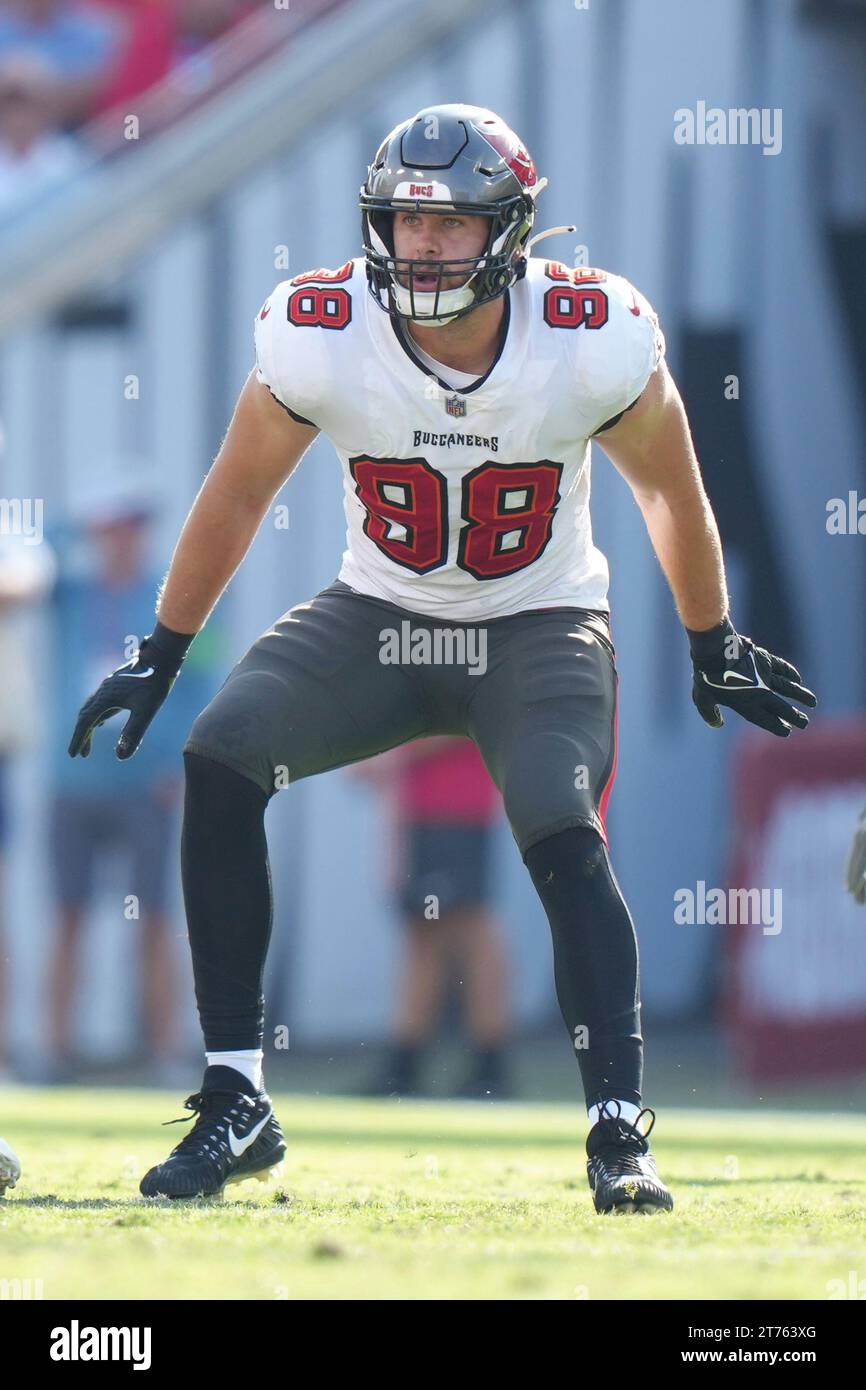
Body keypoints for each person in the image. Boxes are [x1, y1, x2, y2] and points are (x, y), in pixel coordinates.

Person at [68, 104, 817, 1211]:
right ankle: (236, 1095)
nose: (420, 245)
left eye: (449, 223)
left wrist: (707, 637)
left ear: (507, 230)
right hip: (378, 611)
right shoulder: (322, 327)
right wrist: (164, 650)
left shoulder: (588, 333)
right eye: (405, 220)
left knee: (562, 828)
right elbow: (236, 493)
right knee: (222, 759)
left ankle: (617, 1129)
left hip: (536, 621)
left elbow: (668, 486)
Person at [49, 481, 220, 1082]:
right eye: (109, 528)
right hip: (71, 782)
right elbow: (29, 550)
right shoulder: (69, 592)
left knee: (153, 919)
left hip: (145, 784)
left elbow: (203, 686)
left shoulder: (173, 598)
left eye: (129, 527)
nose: (120, 540)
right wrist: (75, 526)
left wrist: (176, 763)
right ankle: (56, 1050)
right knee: (68, 916)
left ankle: (165, 1050)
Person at [354, 736, 510, 1099]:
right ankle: (406, 1065)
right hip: (423, 810)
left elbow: (461, 717)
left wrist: (391, 754)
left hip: (456, 805)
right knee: (424, 934)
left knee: (472, 930)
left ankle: (491, 1066)